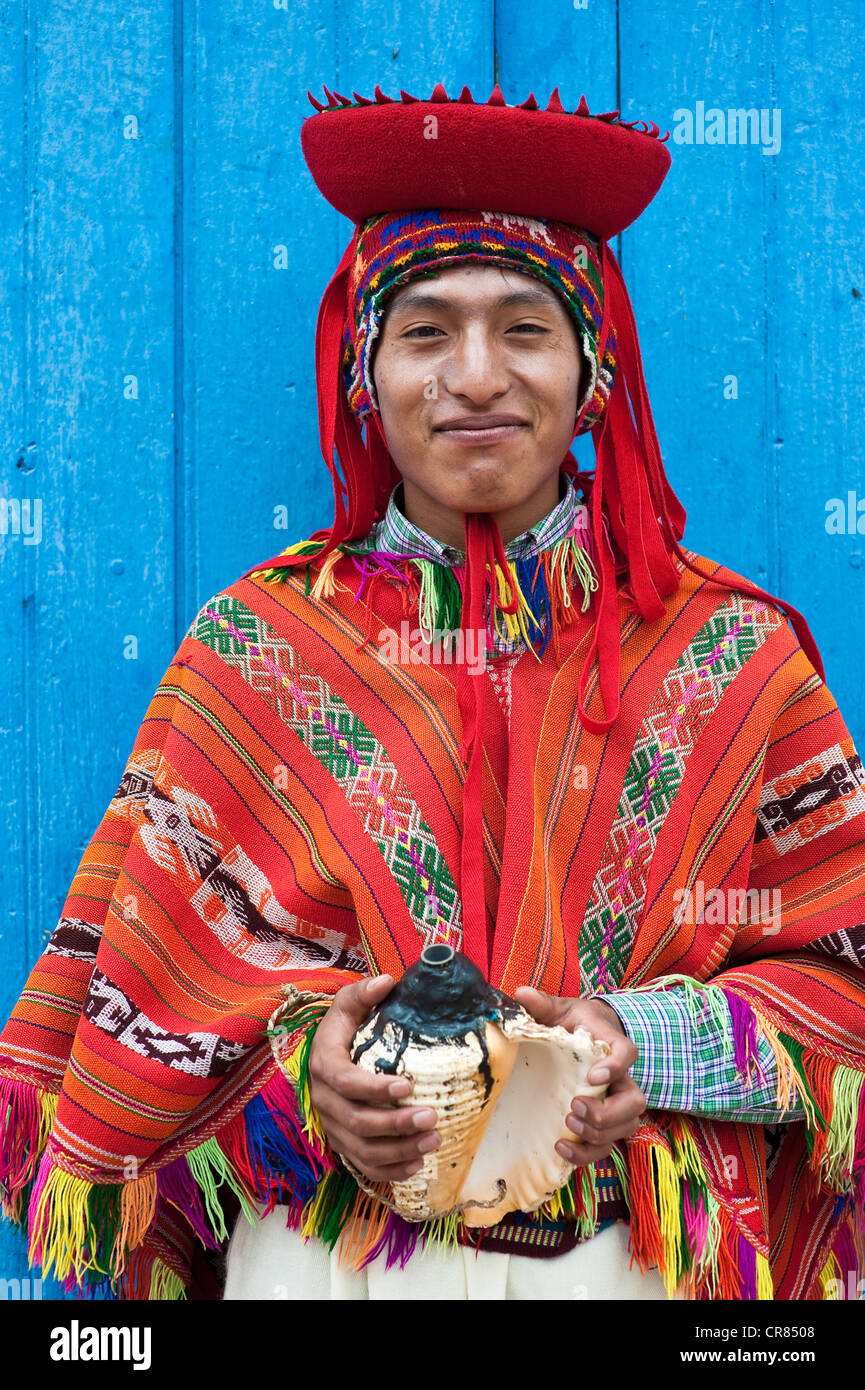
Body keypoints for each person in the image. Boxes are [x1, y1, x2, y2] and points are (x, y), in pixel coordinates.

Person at [1, 81, 864, 1304]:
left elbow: (846, 973)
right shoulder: (258, 650)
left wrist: (646, 1041)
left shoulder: (731, 657)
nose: (474, 376)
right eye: (423, 332)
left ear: (593, 369)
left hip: (630, 1265)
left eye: (524, 328)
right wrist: (308, 1068)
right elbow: (139, 996)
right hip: (324, 1263)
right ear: (365, 370)